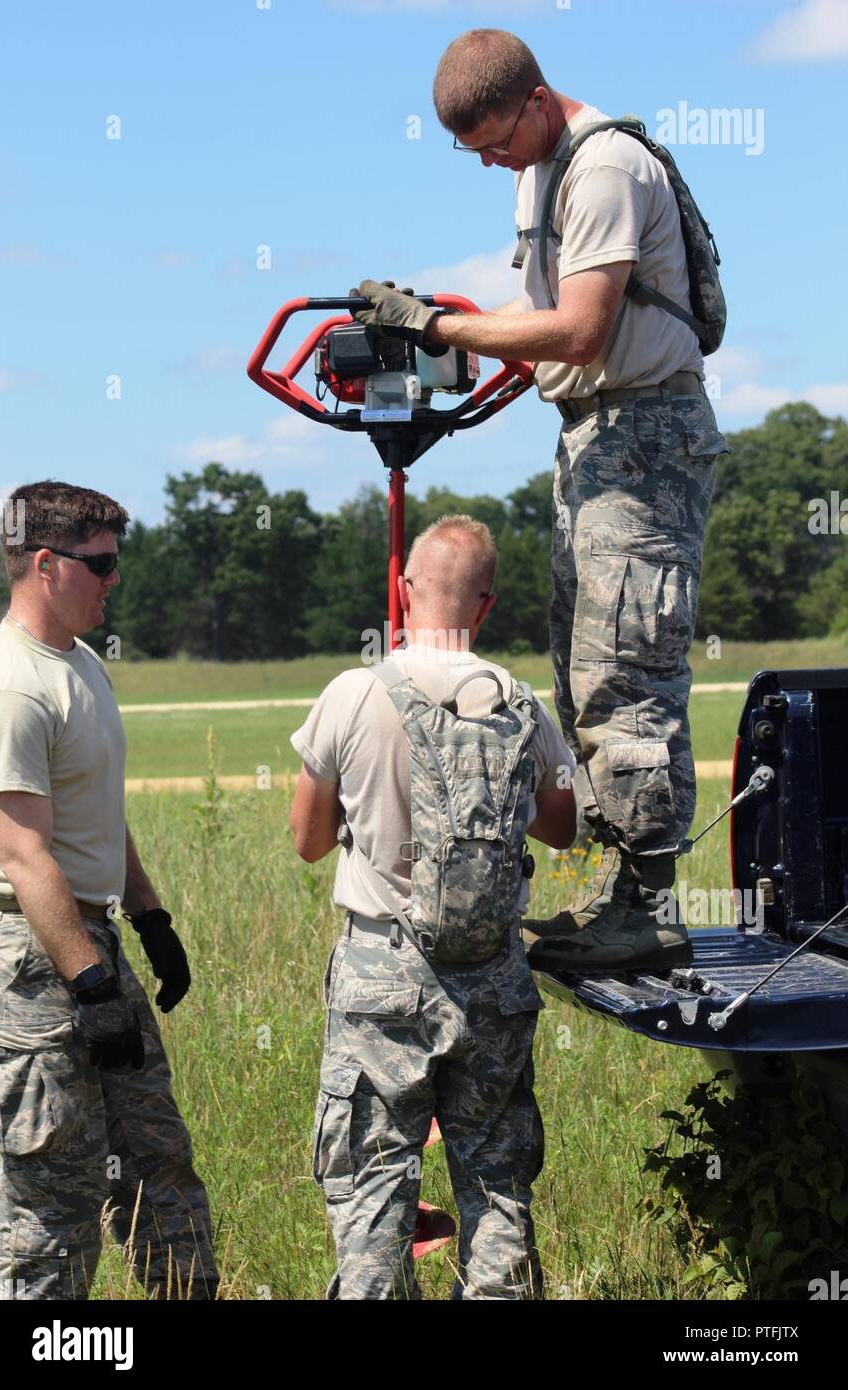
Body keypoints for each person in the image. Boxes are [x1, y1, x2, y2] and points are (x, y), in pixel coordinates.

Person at [350, 28, 731, 974]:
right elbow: (546, 341)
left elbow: (581, 326)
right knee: (583, 668)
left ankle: (649, 908)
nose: (488, 161)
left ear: (534, 100)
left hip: (645, 435)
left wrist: (436, 324)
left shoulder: (604, 167)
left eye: (493, 140)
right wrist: (447, 344)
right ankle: (619, 893)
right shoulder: (539, 172)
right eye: (469, 149)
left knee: (628, 671)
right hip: (594, 436)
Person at [290, 515, 576, 1300]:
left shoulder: (355, 692)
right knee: (497, 1181)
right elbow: (561, 827)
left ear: (404, 590)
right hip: (493, 982)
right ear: (486, 604)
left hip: (382, 977)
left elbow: (308, 841)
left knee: (373, 1187)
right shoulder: (521, 702)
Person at [0, 480, 218, 1300]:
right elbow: (21, 851)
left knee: (161, 1168)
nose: (115, 578)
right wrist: (89, 985)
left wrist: (150, 918)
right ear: (46, 566)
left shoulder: (81, 665)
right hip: (31, 958)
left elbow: (98, 815)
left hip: (92, 942)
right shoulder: (12, 684)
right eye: (102, 563)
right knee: (55, 1199)